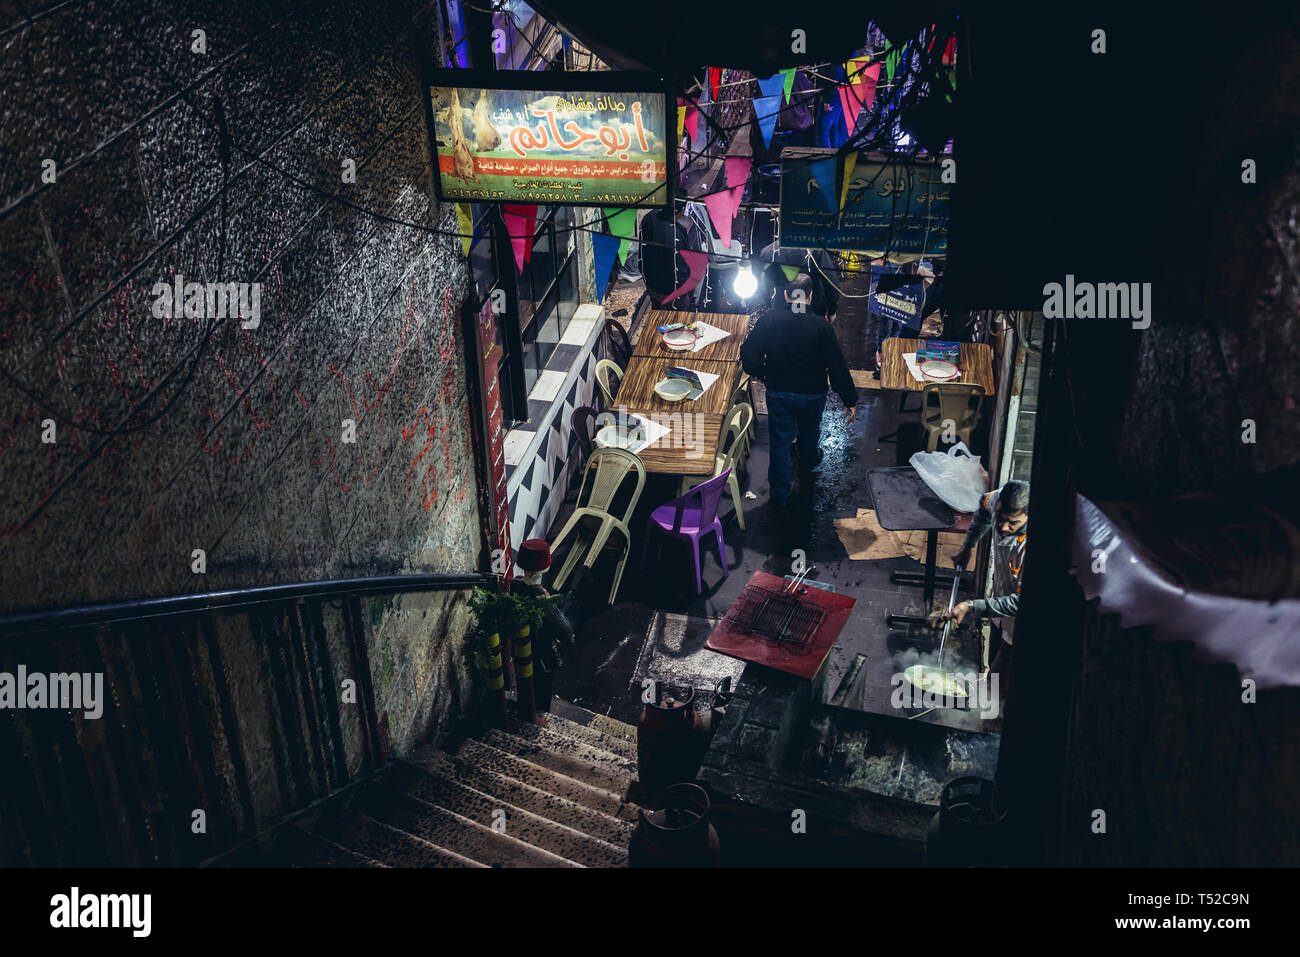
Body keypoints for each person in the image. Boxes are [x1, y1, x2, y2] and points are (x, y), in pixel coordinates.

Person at [740, 273, 858, 507]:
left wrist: (764, 375)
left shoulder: (769, 320)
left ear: (785, 294)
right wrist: (849, 399)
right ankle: (806, 480)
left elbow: (748, 356)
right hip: (813, 395)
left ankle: (781, 496)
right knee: (809, 434)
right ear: (811, 296)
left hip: (779, 393)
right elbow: (837, 367)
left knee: (781, 444)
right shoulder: (821, 327)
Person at [943, 480, 1029, 676]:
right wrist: (968, 545)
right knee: (991, 661)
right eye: (1000, 517)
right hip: (1000, 604)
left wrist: (971, 606)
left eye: (1013, 523)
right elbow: (984, 506)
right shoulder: (998, 499)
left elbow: (1020, 602)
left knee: (1000, 677)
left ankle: (994, 703)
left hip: (1022, 621)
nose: (1003, 527)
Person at [509, 539, 575, 718]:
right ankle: (538, 717)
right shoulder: (543, 602)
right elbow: (566, 631)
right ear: (544, 568)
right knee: (542, 692)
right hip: (542, 657)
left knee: (525, 685)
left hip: (520, 652)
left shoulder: (513, 587)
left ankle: (526, 710)